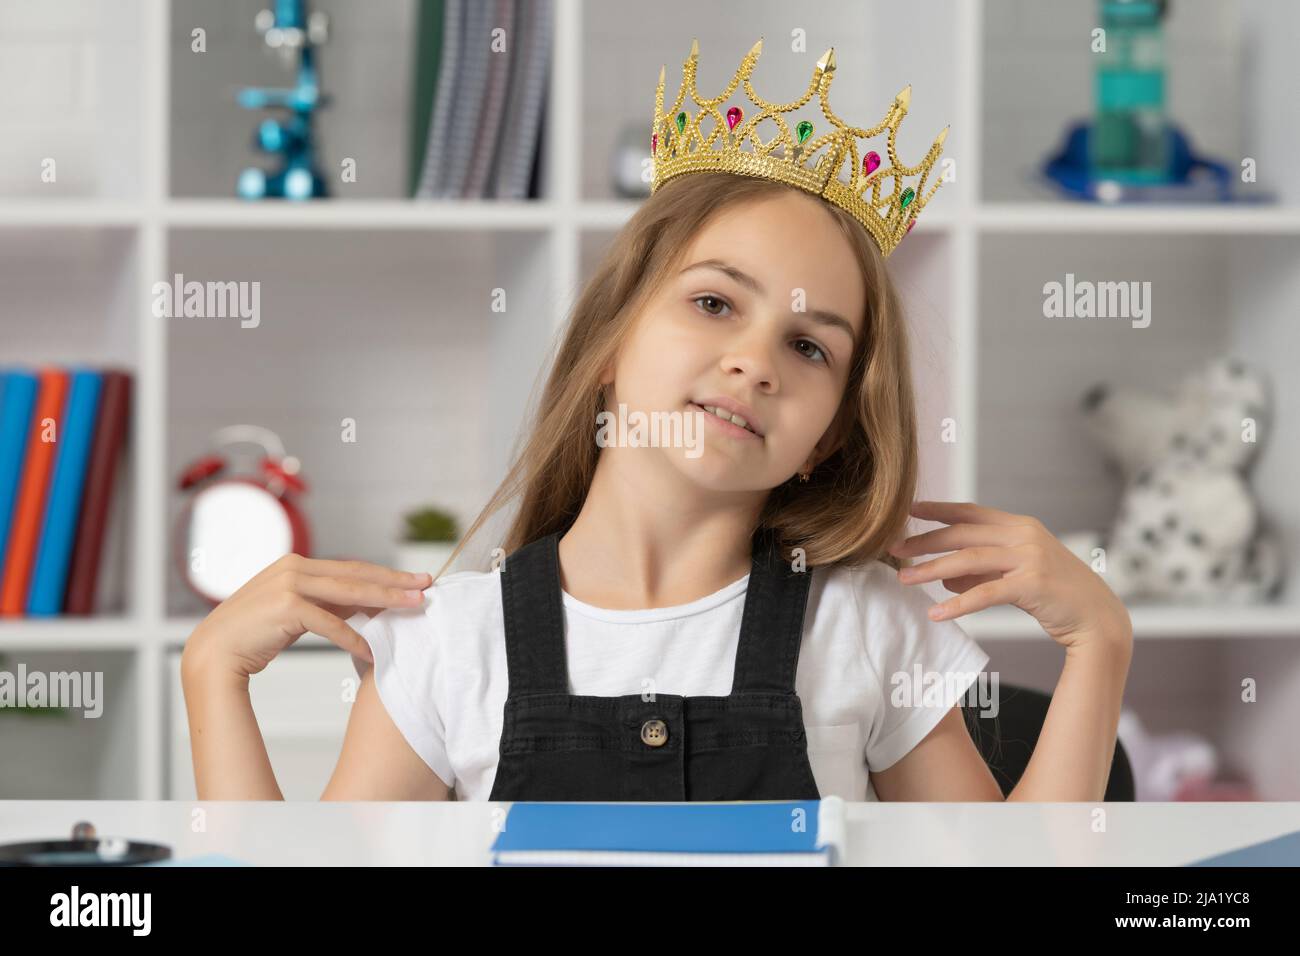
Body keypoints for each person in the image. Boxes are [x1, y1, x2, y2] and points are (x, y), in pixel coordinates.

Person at [181, 42, 1132, 804]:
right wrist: (214, 675)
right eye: (716, 304)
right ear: (609, 343)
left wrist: (1100, 645)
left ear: (830, 438)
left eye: (810, 347)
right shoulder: (448, 643)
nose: (755, 360)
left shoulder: (867, 627)